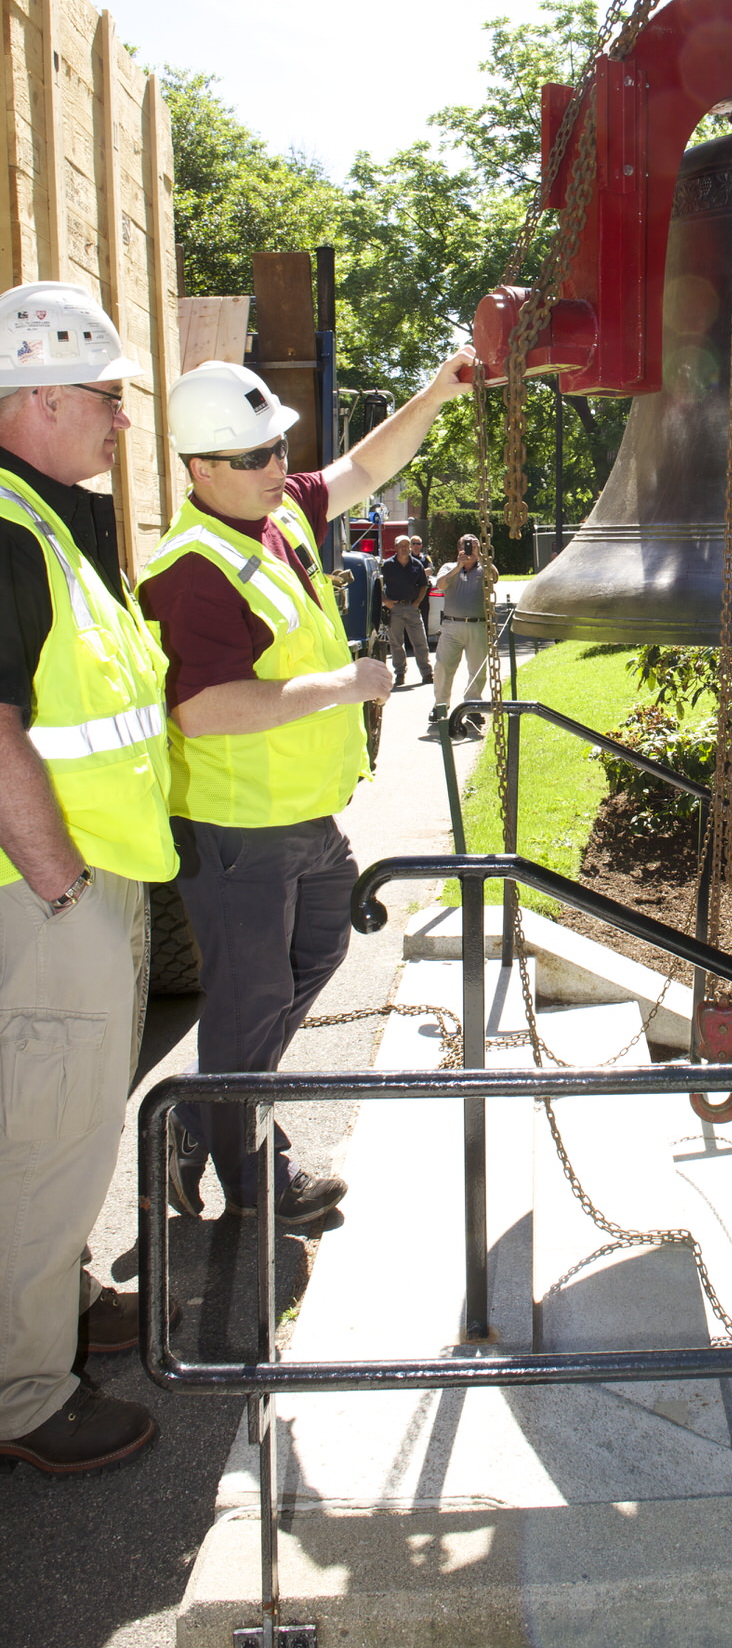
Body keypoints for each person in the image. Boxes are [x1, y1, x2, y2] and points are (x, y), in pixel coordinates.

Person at [140, 349, 475, 1225]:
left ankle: (205, 1112)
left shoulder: (279, 512)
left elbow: (365, 464)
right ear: (200, 468)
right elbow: (205, 710)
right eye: (252, 457)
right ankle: (256, 1183)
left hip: (302, 819)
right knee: (250, 1001)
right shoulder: (190, 569)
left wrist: (436, 393)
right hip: (238, 829)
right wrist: (348, 684)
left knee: (321, 947)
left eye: (278, 448)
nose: (277, 467)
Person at [0, 282, 178, 1476]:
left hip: (88, 880)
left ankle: (51, 1302)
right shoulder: (12, 528)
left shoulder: (54, 519)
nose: (121, 421)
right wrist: (60, 881)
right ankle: (23, 1392)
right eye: (107, 398)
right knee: (44, 1139)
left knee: (63, 1122)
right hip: (43, 892)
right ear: (44, 395)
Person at [430, 533, 493, 727]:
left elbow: (495, 578)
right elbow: (440, 585)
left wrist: (481, 557)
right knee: (442, 667)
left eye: (473, 545)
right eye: (466, 545)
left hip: (477, 625)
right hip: (451, 626)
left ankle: (472, 705)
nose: (469, 549)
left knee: (477, 670)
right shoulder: (449, 567)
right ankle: (440, 705)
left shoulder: (484, 569)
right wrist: (458, 566)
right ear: (459, 548)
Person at [381, 533, 433, 687]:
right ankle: (400, 674)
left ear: (410, 547)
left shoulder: (417, 565)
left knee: (420, 642)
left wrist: (417, 602)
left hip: (412, 608)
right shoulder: (387, 565)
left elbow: (424, 585)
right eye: (401, 545)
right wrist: (386, 601)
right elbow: (378, 585)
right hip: (394, 609)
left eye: (406, 545)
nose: (404, 548)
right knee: (396, 643)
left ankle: (427, 673)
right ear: (396, 547)